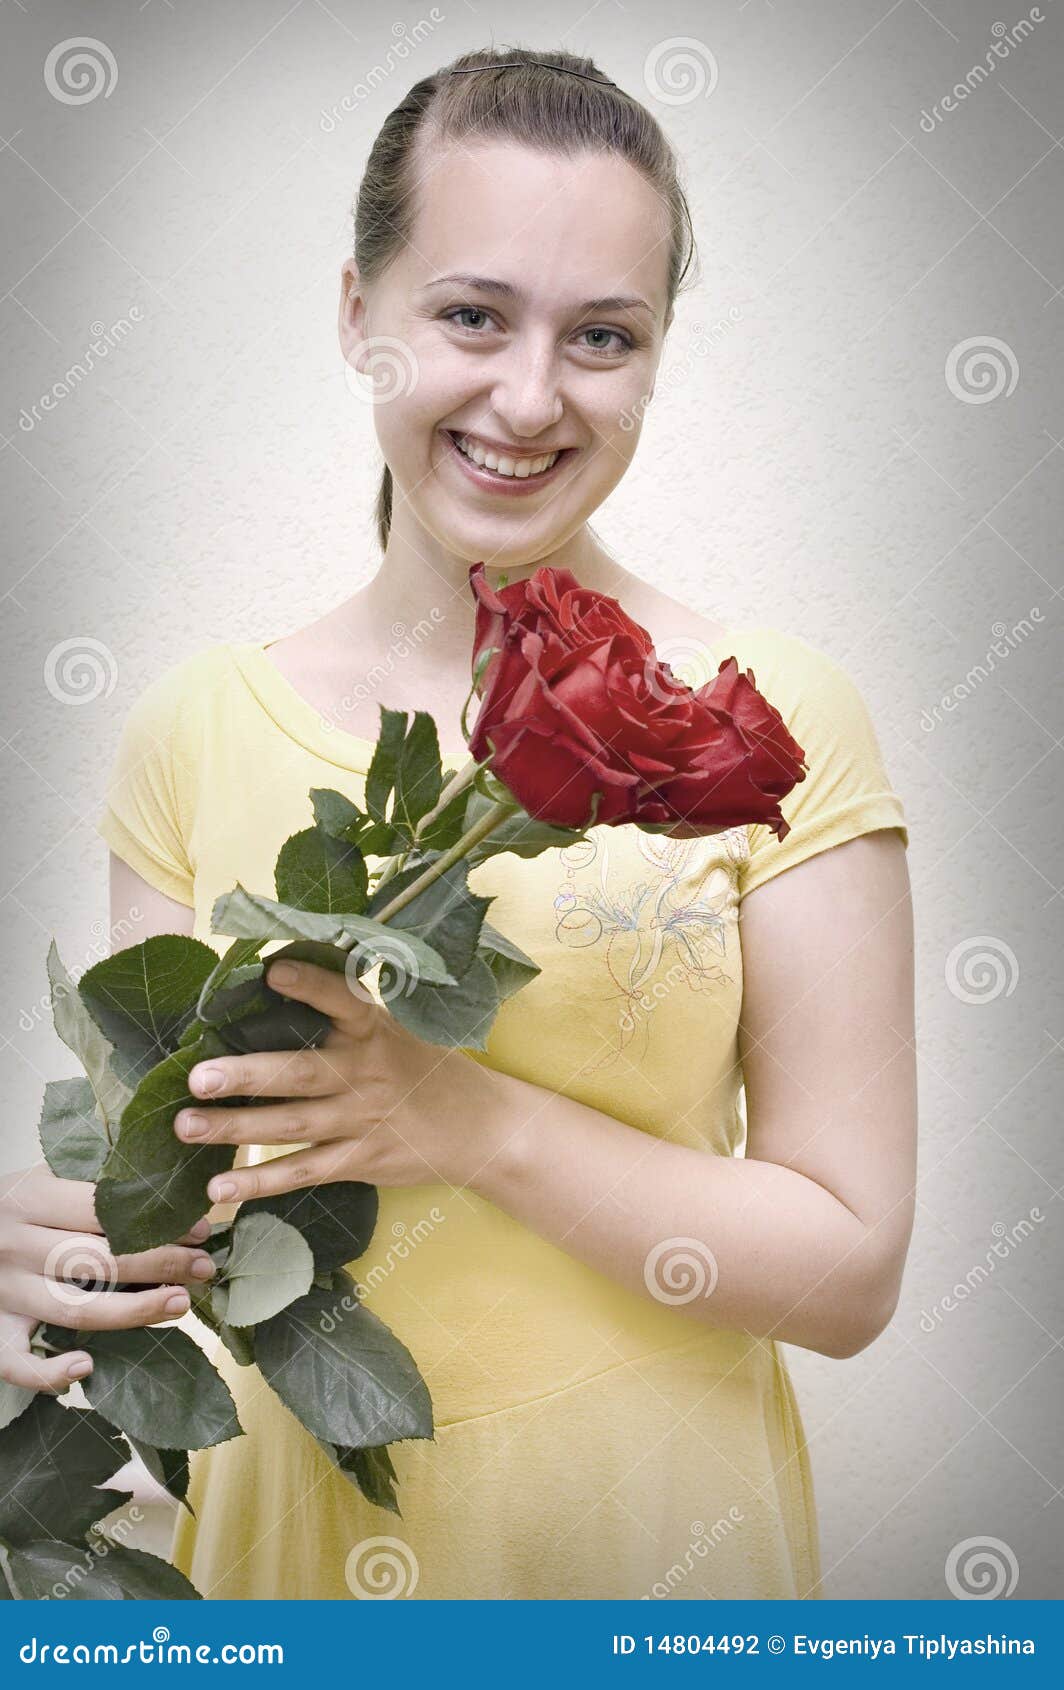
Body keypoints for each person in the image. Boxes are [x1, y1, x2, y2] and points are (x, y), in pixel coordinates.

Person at [0, 48, 916, 1601]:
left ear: (657, 354)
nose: (530, 396)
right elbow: (189, 1211)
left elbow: (849, 1269)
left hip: (656, 1568)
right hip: (295, 1568)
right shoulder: (192, 731)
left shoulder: (781, 721)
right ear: (360, 315)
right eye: (472, 313)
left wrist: (474, 1122)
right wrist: (56, 1268)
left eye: (603, 335)